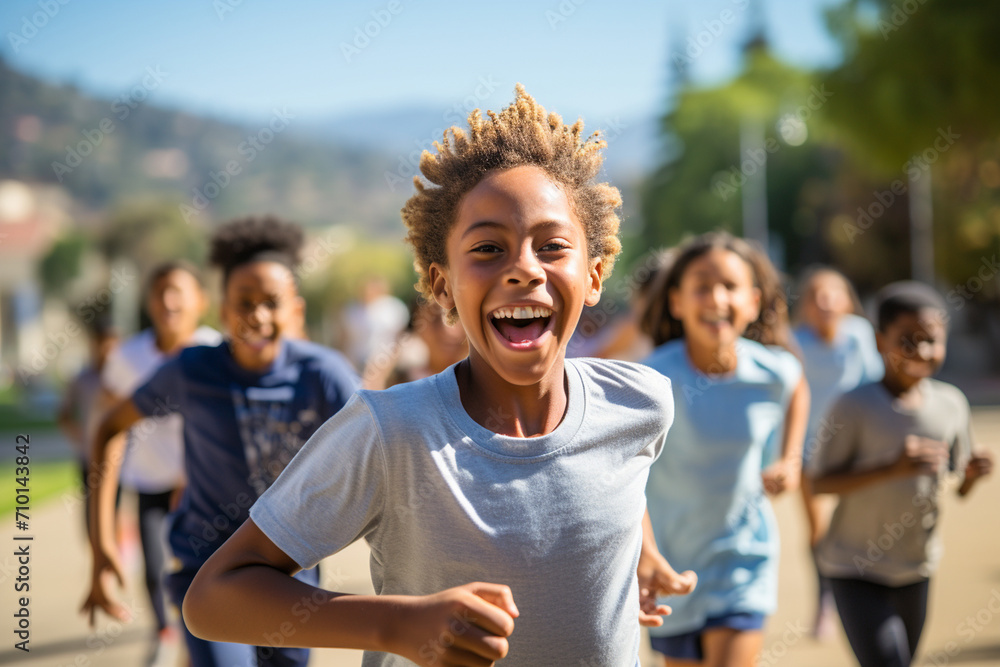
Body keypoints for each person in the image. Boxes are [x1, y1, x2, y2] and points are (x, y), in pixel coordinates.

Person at [181, 85, 696, 667]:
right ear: (443, 285)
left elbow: (608, 478)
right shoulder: (391, 432)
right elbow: (214, 598)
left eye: (552, 246)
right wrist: (396, 625)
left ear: (595, 275)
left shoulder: (641, 403)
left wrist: (641, 552)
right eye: (488, 249)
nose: (524, 269)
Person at [82, 216, 360, 667]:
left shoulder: (324, 376)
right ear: (223, 310)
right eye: (244, 303)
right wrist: (101, 544)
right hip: (206, 571)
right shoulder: (193, 371)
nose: (257, 316)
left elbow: (381, 451)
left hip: (291, 574)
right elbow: (109, 428)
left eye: (271, 302)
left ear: (295, 308)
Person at [639, 231, 810, 667]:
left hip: (744, 559)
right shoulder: (649, 381)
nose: (716, 298)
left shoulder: (772, 372)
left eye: (730, 286)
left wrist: (790, 459)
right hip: (671, 566)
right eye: (701, 286)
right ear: (676, 302)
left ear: (753, 302)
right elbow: (623, 476)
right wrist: (645, 551)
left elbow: (798, 386)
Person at [808, 281, 993, 667]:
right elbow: (819, 483)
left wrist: (972, 476)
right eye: (907, 340)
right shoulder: (854, 405)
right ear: (880, 342)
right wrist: (889, 469)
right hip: (854, 567)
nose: (921, 351)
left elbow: (956, 486)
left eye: (931, 340)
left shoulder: (951, 404)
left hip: (916, 565)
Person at [98, 261, 220, 656]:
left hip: (202, 487)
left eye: (177, 291)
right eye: (159, 292)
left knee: (202, 571)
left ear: (200, 301)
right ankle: (164, 632)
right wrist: (101, 534)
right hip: (149, 480)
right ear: (148, 302)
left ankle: (199, 639)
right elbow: (108, 423)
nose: (168, 301)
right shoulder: (127, 356)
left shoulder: (216, 351)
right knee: (154, 570)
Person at [791, 266, 883, 638]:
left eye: (833, 294)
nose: (825, 303)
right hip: (807, 455)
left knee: (859, 527)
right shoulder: (794, 342)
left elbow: (873, 385)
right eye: (816, 296)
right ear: (806, 306)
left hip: (853, 452)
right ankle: (824, 600)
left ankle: (865, 597)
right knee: (818, 531)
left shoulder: (859, 336)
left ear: (847, 301)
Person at [57, 316, 120, 533]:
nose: (107, 349)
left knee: (114, 510)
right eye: (103, 342)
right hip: (89, 454)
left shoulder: (121, 377)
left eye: (112, 343)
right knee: (91, 512)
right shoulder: (82, 379)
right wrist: (79, 435)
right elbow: (64, 414)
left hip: (116, 456)